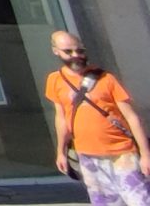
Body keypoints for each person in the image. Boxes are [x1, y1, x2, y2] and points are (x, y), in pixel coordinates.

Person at [47, 30, 150, 205]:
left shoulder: (105, 78)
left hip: (122, 152)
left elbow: (132, 117)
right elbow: (61, 118)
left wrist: (145, 154)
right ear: (56, 51)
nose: (75, 56)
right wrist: (61, 152)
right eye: (68, 52)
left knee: (139, 200)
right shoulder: (55, 80)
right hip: (87, 155)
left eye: (79, 51)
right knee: (104, 202)